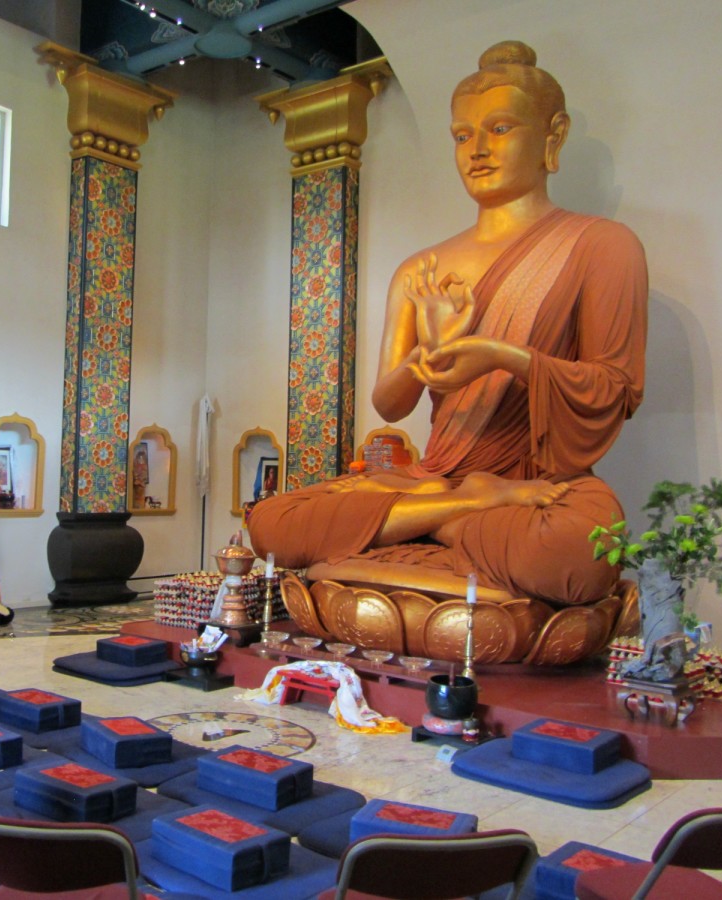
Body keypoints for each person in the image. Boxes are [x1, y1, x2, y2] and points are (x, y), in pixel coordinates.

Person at [249, 41, 646, 609]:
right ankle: (464, 509)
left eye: (501, 128)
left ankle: (414, 523)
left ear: (552, 138)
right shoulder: (422, 268)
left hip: (535, 481)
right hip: (441, 478)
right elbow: (389, 403)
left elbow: (616, 388)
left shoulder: (602, 246)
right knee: (272, 521)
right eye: (462, 136)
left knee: (576, 552)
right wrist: (426, 359)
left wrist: (503, 356)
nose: (477, 151)